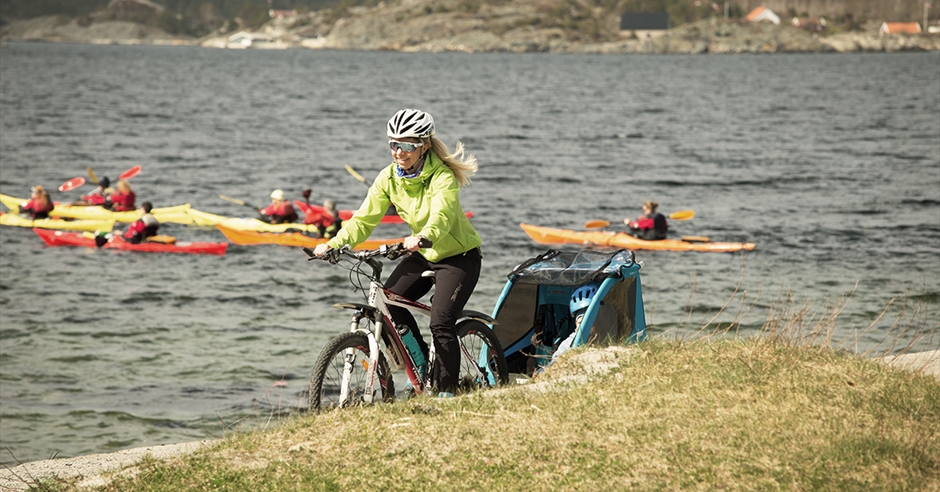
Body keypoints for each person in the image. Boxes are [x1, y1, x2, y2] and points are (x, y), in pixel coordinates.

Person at [313, 108, 482, 396]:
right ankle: (420, 367)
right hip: (423, 253)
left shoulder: (442, 177)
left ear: (424, 146)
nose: (398, 152)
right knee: (388, 304)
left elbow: (441, 214)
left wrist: (423, 236)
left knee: (441, 321)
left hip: (458, 256)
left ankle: (447, 394)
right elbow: (364, 219)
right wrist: (334, 243)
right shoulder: (388, 178)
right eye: (393, 144)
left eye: (406, 145)